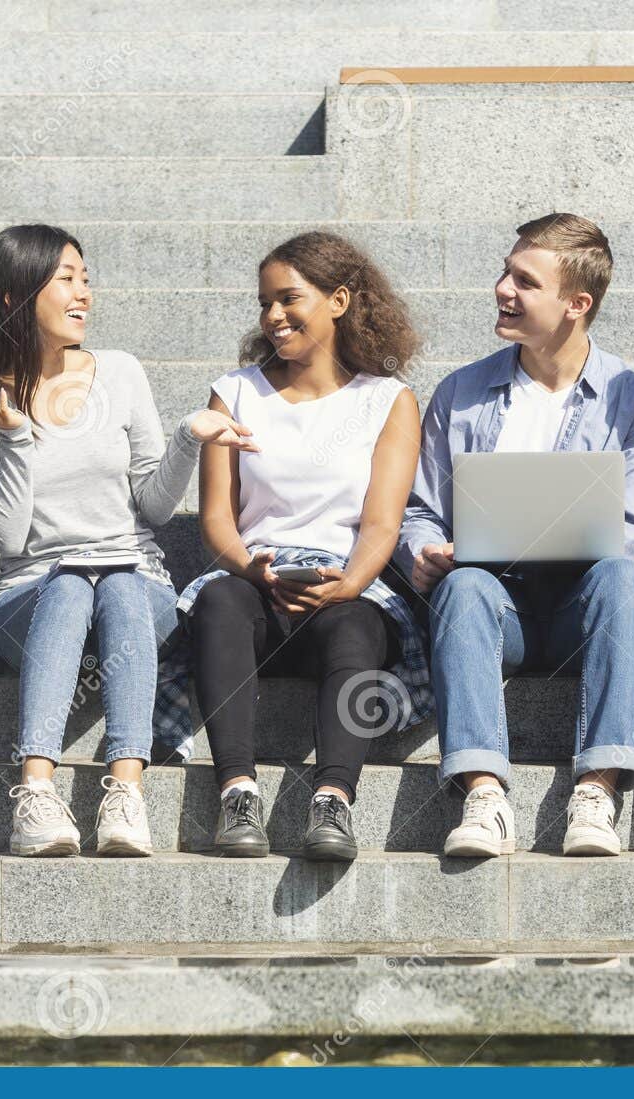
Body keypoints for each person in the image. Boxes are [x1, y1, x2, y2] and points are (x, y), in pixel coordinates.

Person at [0, 224, 259, 858]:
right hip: (31, 593)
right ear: (13, 297)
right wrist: (20, 441)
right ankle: (35, 793)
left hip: (134, 590)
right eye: (66, 279)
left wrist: (189, 439)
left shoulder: (120, 373)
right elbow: (6, 536)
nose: (83, 294)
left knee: (115, 579)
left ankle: (125, 791)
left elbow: (153, 510)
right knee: (71, 583)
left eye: (85, 278)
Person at [397, 213, 634, 858]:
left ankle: (597, 790)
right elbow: (420, 511)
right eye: (505, 271)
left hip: (588, 609)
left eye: (525, 280)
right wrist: (423, 554)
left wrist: (507, 537)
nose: (502, 289)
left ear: (577, 304)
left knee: (624, 579)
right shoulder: (461, 392)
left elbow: (630, 534)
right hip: (496, 609)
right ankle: (484, 793)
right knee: (465, 583)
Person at [186, 231, 424, 862]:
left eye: (289, 299)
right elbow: (217, 519)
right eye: (265, 302)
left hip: (344, 581)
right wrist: (251, 568)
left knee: (357, 625)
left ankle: (333, 800)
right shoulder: (234, 393)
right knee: (219, 603)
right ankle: (237, 792)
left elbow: (382, 523)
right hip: (255, 579)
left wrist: (349, 582)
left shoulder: (387, 400)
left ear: (340, 300)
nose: (273, 316)